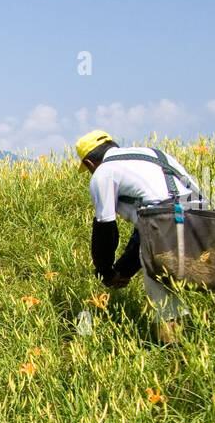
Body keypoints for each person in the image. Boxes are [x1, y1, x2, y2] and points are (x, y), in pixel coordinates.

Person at [75, 130, 206, 345]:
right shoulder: (152, 154)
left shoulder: (103, 173)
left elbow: (105, 230)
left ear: (89, 164)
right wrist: (125, 270)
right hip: (206, 224)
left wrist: (105, 272)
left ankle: (173, 354)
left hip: (166, 225)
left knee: (163, 303)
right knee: (173, 290)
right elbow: (146, 225)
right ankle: (194, 342)